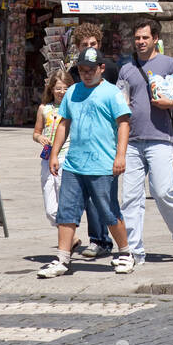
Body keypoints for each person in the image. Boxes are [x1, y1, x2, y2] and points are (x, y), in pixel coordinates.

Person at [37, 47, 133, 277]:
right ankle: (62, 258)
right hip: (74, 164)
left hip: (102, 164)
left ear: (101, 68)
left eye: (91, 69)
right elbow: (63, 124)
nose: (86, 73)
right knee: (66, 212)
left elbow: (123, 124)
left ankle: (126, 253)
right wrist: (54, 153)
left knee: (108, 211)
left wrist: (120, 156)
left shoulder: (111, 93)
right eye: (82, 69)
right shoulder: (73, 92)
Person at [118, 18, 173, 265]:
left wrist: (168, 103)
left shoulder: (169, 64)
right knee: (130, 198)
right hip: (132, 141)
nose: (140, 42)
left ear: (155, 39)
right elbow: (121, 101)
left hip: (160, 138)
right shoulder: (126, 68)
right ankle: (134, 251)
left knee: (163, 192)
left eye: (145, 38)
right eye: (137, 38)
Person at [69, 24, 119, 260]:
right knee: (87, 198)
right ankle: (97, 239)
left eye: (93, 44)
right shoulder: (74, 72)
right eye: (84, 45)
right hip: (81, 143)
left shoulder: (109, 69)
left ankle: (110, 241)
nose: (90, 48)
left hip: (104, 144)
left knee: (104, 199)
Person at [33, 68, 78, 244]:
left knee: (64, 201)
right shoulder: (44, 108)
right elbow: (36, 132)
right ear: (51, 89)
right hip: (46, 158)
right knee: (50, 206)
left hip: (66, 157)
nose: (62, 92)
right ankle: (70, 237)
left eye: (65, 88)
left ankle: (67, 239)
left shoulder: (73, 108)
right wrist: (39, 137)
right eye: (58, 88)